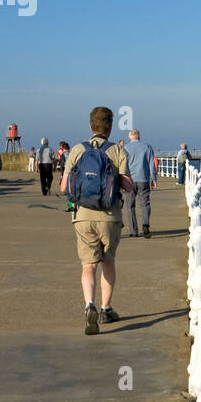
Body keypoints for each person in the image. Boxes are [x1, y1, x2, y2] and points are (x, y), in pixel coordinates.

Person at [61, 106, 133, 335]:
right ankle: (105, 309)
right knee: (108, 262)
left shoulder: (77, 150)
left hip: (82, 217)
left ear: (91, 126)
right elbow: (128, 187)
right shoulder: (118, 152)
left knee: (88, 266)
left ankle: (89, 304)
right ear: (110, 127)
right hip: (110, 218)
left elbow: (64, 187)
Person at [122, 129, 156, 238]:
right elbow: (152, 165)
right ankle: (145, 224)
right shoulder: (147, 147)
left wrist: (121, 181)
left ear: (129, 137)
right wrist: (154, 179)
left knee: (130, 206)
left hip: (129, 181)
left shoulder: (125, 149)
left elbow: (122, 166)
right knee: (145, 204)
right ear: (139, 136)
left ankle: (133, 231)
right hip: (144, 179)